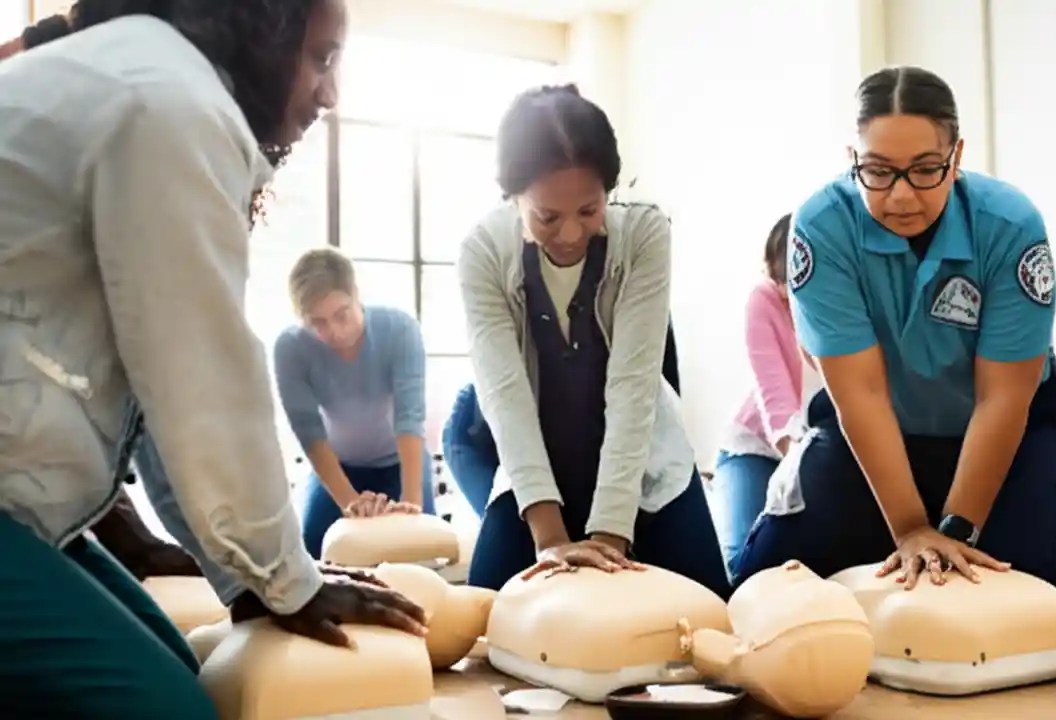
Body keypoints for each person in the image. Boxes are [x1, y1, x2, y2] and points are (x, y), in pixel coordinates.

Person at [0, 4, 426, 716]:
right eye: (322, 60)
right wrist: (283, 578)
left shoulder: (152, 79)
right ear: (267, 34)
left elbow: (156, 386)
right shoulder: (170, 104)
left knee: (175, 668)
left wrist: (252, 581)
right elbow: (202, 383)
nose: (331, 93)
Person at [730, 66, 1056, 648]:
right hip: (881, 431)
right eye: (877, 171)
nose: (901, 194)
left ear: (956, 158)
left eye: (926, 170)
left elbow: (1003, 395)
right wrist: (910, 530)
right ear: (851, 156)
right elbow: (861, 393)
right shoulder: (822, 226)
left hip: (1018, 429)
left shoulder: (1009, 224)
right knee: (764, 589)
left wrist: (954, 531)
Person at [458, 84, 730, 599]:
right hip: (535, 467)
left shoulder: (645, 235)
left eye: (589, 210)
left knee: (707, 612)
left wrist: (607, 544)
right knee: (491, 617)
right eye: (547, 216)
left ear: (610, 188)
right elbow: (504, 396)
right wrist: (551, 543)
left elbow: (633, 390)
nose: (569, 234)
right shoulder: (483, 252)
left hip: (642, 460)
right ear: (513, 196)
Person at [274, 247, 439, 558]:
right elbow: (308, 431)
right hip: (339, 466)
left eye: (342, 314)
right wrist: (349, 500)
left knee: (420, 551)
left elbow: (409, 416)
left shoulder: (400, 329)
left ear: (356, 295)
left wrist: (411, 500)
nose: (333, 331)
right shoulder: (290, 348)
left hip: (398, 462)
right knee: (314, 550)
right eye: (317, 323)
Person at [441, 321, 683, 519]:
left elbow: (664, 404)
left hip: (567, 430)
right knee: (520, 530)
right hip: (478, 433)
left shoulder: (646, 299)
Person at [711, 213, 820, 568]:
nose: (788, 296)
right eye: (781, 283)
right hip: (756, 447)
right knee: (744, 564)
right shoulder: (764, 298)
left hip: (822, 450)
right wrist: (798, 470)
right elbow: (773, 395)